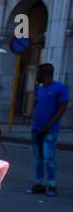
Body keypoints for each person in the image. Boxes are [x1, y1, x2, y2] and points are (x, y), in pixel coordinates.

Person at [30, 63, 68, 196]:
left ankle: (51, 185)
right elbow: (37, 106)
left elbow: (62, 107)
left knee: (48, 158)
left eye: (39, 73)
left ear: (45, 74)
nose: (37, 76)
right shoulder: (39, 88)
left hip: (49, 130)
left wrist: (50, 125)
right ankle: (39, 183)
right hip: (36, 128)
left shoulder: (60, 88)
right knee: (37, 158)